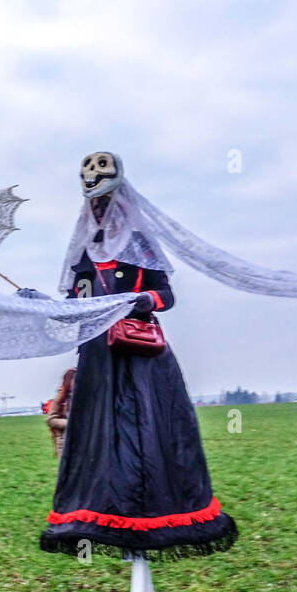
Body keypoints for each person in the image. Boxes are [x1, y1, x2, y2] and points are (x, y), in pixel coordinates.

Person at [39, 152, 238, 558]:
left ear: (121, 199)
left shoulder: (139, 244)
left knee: (145, 433)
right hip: (98, 358)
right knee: (101, 437)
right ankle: (102, 512)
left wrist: (141, 299)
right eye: (94, 201)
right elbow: (74, 305)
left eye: (106, 199)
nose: (99, 208)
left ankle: (153, 514)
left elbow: (166, 296)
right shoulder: (82, 254)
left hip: (141, 356)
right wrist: (41, 304)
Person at [46, 367, 76, 457]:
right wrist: (70, 423)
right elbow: (51, 420)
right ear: (68, 380)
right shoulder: (61, 398)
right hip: (65, 445)